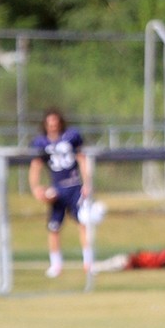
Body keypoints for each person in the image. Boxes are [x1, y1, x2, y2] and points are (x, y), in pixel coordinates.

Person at [28, 109, 93, 278]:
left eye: (55, 123)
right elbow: (36, 166)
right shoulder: (41, 143)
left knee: (84, 223)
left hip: (74, 186)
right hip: (57, 189)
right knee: (54, 227)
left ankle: (89, 262)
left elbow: (82, 159)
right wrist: (36, 188)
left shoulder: (71, 137)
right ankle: (56, 265)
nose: (53, 126)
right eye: (49, 123)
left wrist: (87, 183)